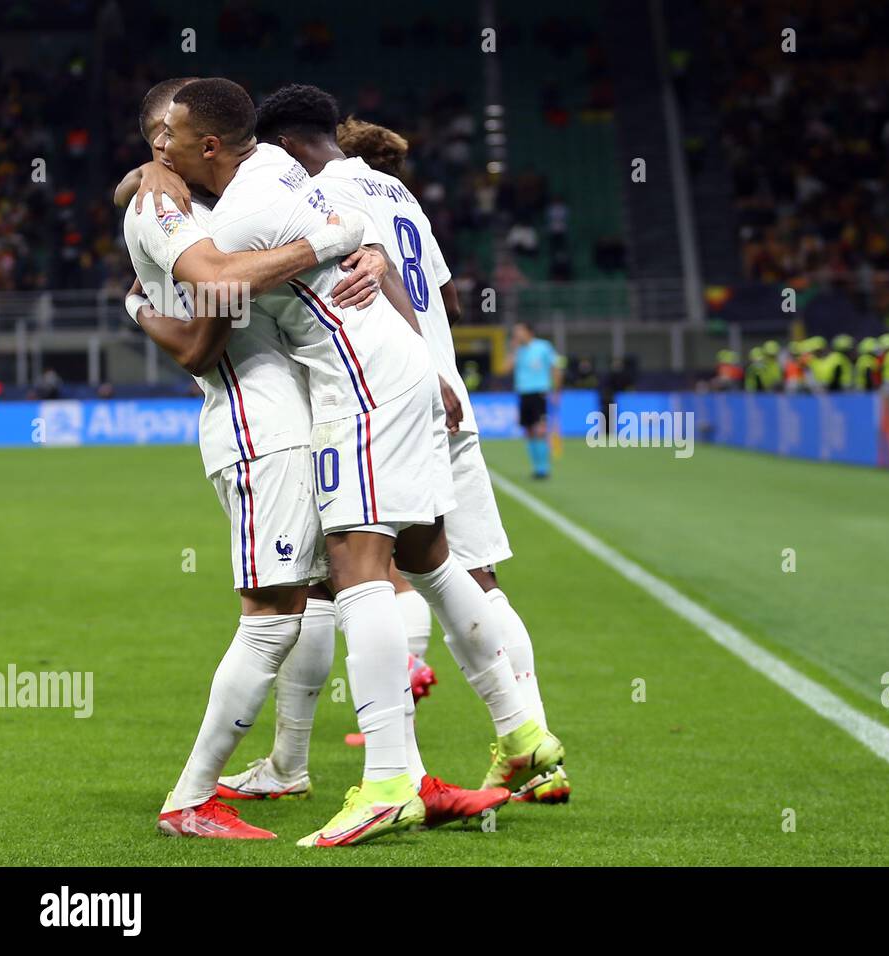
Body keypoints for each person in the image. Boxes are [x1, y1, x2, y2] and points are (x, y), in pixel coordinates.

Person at [158, 77, 527, 846]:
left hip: (345, 395)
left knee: (343, 579)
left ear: (215, 143)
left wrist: (137, 304)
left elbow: (213, 304)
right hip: (402, 374)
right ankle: (519, 737)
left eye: (174, 138)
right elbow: (401, 265)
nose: (168, 151)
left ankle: (383, 778)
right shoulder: (351, 185)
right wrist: (422, 354)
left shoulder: (238, 207)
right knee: (431, 563)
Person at [235, 88, 568, 804]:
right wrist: (439, 371)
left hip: (392, 395)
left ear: (286, 146)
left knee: (344, 577)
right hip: (445, 389)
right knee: (471, 576)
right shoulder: (394, 187)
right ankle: (534, 744)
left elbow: (378, 283)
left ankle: (377, 774)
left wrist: (416, 368)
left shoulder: (316, 194)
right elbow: (435, 291)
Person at [117, 77, 374, 839]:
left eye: (180, 132)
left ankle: (287, 766)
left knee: (316, 596)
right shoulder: (166, 211)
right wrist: (138, 305)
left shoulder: (196, 202)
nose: (172, 146)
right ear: (154, 136)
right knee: (269, 617)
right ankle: (190, 799)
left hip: (284, 424)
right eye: (159, 135)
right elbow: (205, 335)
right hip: (259, 431)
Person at [504, 320, 561, 479]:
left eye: (519, 331)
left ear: (528, 331)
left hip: (539, 392)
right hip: (523, 393)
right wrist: (513, 350)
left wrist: (556, 391)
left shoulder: (543, 347)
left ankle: (544, 468)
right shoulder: (518, 350)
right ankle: (536, 467)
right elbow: (504, 369)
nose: (516, 334)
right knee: (528, 431)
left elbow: (555, 368)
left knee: (540, 430)